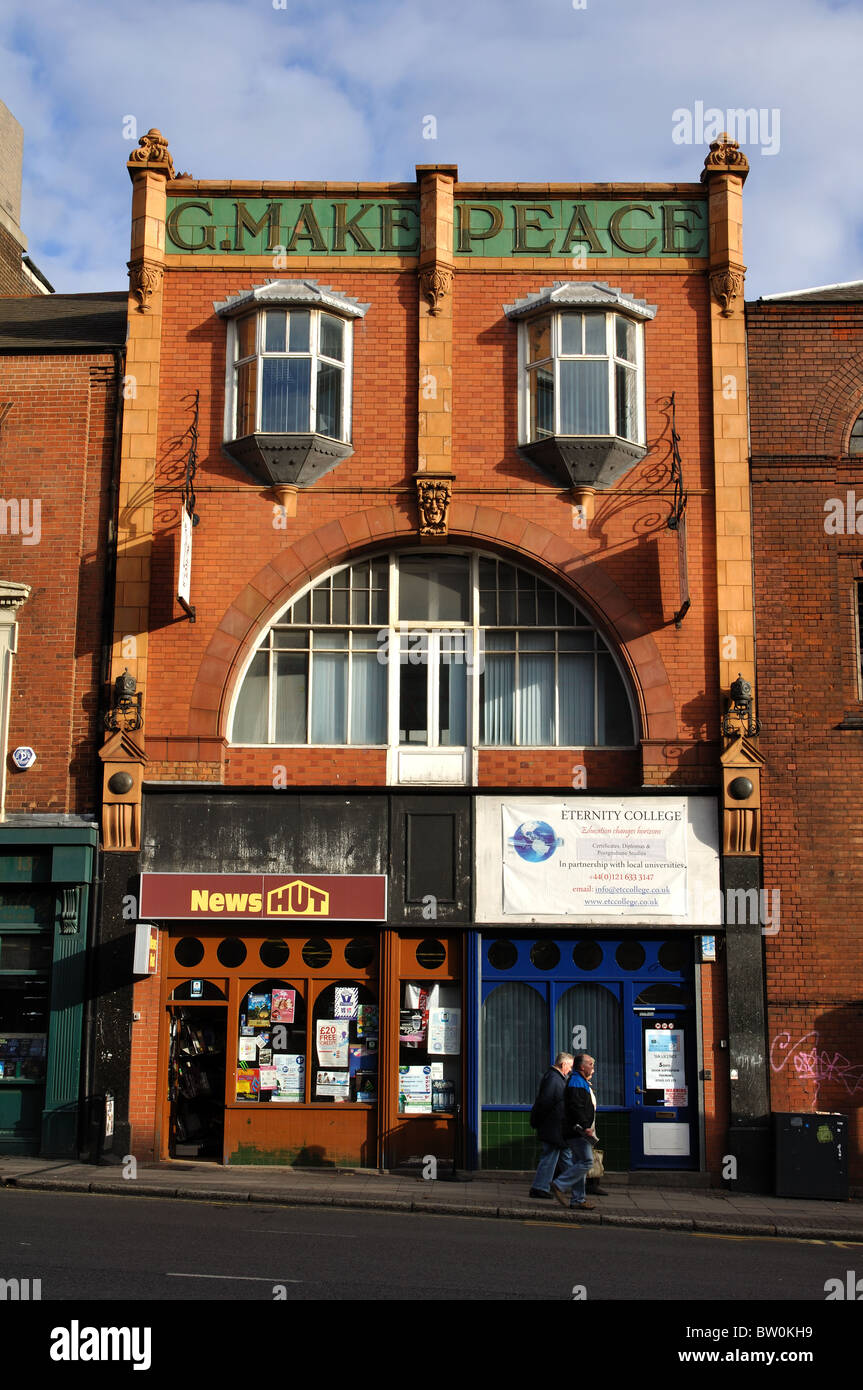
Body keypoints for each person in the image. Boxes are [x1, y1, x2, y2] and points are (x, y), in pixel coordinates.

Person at [552, 1052, 600, 1211]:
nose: (593, 1068)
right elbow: (576, 1106)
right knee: (586, 1162)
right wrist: (585, 1126)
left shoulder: (580, 1082)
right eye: (590, 1064)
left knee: (580, 1162)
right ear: (581, 1066)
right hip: (577, 1130)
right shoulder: (577, 1082)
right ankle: (560, 1184)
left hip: (577, 1129)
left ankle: (578, 1199)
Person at [528, 1052, 574, 1198]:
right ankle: (539, 1187)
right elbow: (545, 1103)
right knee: (550, 1157)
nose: (571, 1070)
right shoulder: (554, 1079)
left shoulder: (556, 1078)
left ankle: (576, 1186)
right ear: (563, 1064)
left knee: (565, 1157)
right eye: (570, 1066)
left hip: (557, 1127)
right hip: (553, 1127)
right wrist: (541, 1122)